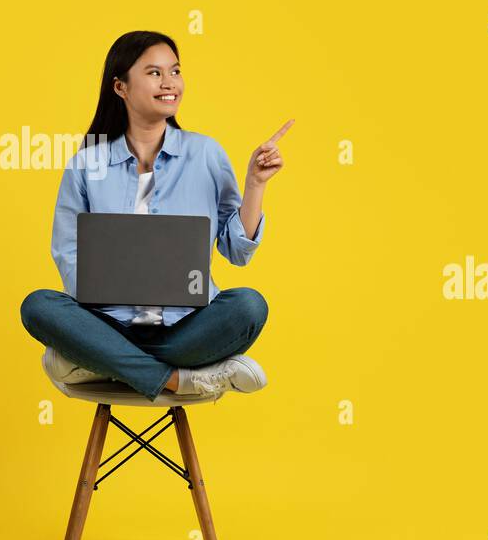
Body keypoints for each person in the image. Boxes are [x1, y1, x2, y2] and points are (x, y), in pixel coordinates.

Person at [21, 30, 293, 401]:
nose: (170, 83)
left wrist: (256, 184)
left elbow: (237, 251)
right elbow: (68, 252)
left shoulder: (206, 154)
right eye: (154, 73)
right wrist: (103, 304)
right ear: (120, 87)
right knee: (38, 306)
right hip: (108, 325)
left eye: (175, 71)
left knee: (249, 305)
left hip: (185, 330)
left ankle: (102, 363)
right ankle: (176, 379)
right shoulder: (87, 163)